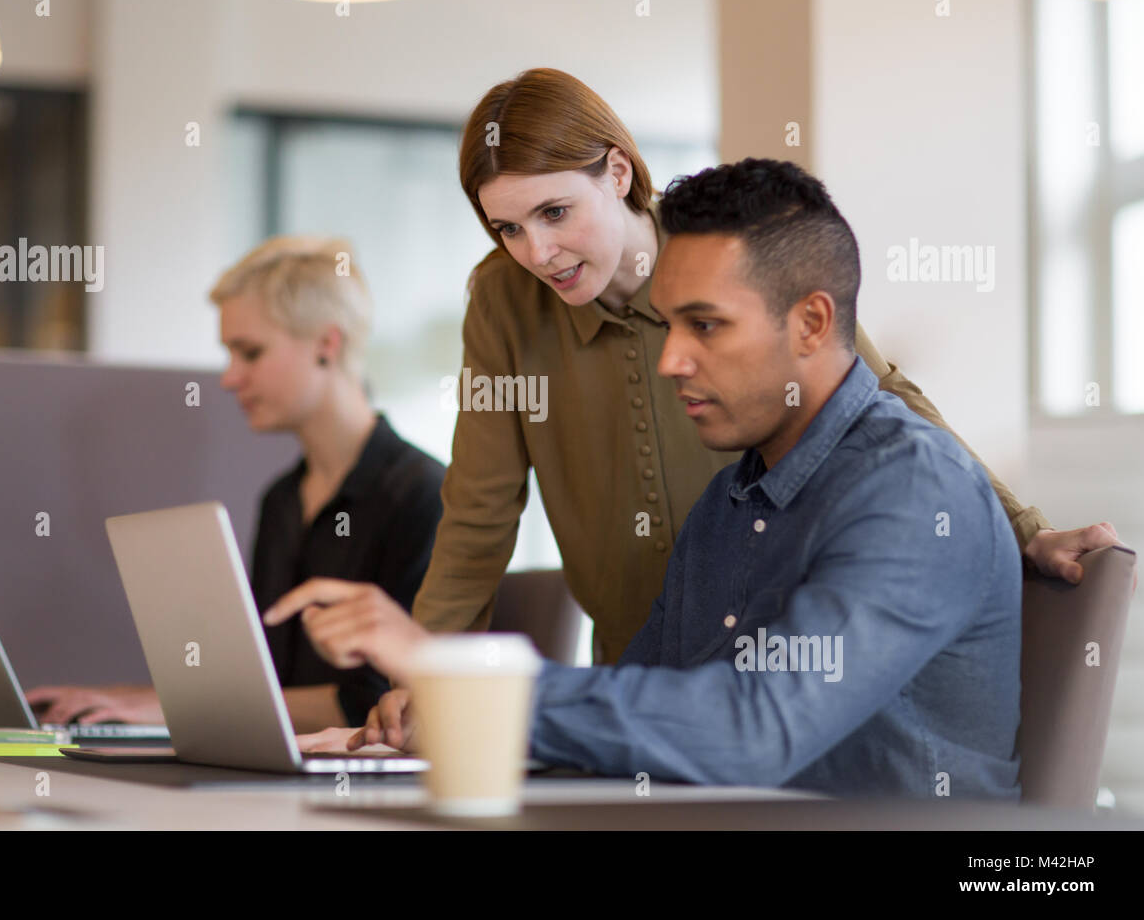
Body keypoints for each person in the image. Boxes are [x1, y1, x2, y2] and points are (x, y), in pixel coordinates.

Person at [337, 67, 1118, 749]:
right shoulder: (509, 306)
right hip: (644, 679)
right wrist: (429, 676)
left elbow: (880, 393)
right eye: (507, 228)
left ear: (616, 172)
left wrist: (1020, 527)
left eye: (554, 214)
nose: (537, 253)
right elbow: (477, 513)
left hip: (772, 695)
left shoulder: (730, 253)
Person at [269, 160, 1028, 797]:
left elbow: (753, 731)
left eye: (706, 325)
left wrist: (460, 675)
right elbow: (641, 716)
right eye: (669, 326)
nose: (671, 361)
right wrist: (450, 721)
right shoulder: (729, 502)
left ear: (811, 323)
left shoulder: (911, 493)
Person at [26, 237, 445, 732]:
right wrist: (142, 699)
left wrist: (173, 707)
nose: (229, 378)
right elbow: (262, 682)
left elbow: (380, 700)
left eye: (250, 353)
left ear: (326, 346)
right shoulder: (283, 500)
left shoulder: (425, 495)